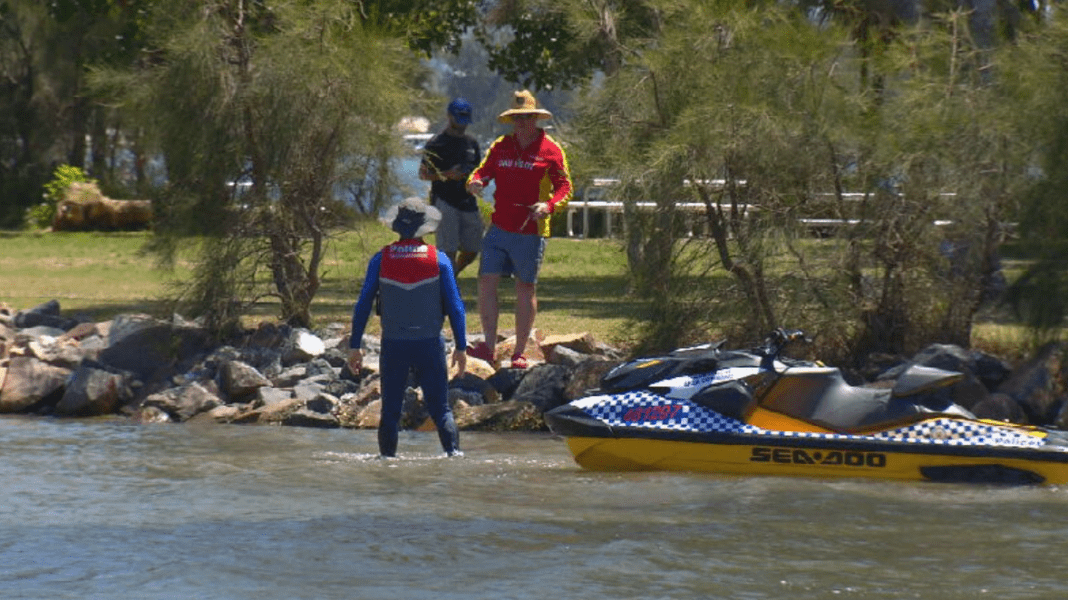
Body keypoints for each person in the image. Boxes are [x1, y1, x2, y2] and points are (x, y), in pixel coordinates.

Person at [347, 197, 467, 457]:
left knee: (390, 411)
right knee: (441, 409)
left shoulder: (381, 259)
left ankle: (387, 462)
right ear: (427, 227)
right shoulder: (440, 260)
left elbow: (363, 304)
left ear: (397, 226)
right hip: (429, 345)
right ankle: (454, 458)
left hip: (394, 346)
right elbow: (456, 307)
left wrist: (355, 346)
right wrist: (461, 346)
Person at [465, 90, 573, 369]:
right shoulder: (501, 146)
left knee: (525, 287)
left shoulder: (551, 150)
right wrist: (475, 182)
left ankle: (519, 352)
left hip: (531, 230)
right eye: (517, 118)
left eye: (527, 118)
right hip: (499, 227)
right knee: (486, 281)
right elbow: (482, 172)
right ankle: (488, 346)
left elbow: (565, 188)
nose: (522, 123)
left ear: (536, 119)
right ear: (512, 121)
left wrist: (548, 206)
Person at [418, 97, 483, 276]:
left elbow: (479, 170)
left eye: (465, 121)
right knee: (448, 249)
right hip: (444, 201)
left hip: (468, 200)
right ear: (449, 116)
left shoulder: (472, 144)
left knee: (473, 247)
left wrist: (477, 182)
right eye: (458, 120)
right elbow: (423, 174)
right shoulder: (436, 144)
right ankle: (448, 283)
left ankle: (451, 275)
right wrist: (446, 175)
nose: (462, 125)